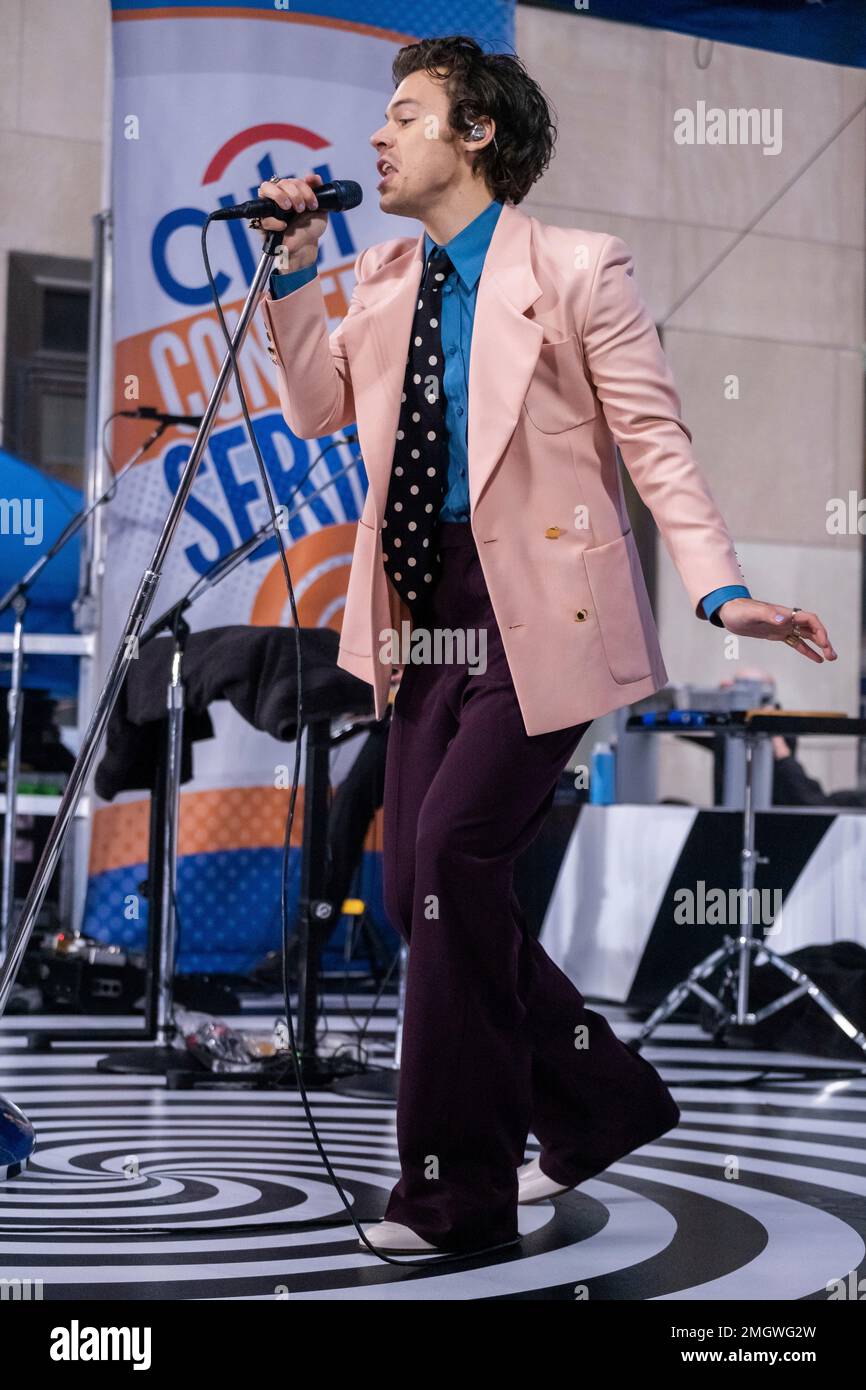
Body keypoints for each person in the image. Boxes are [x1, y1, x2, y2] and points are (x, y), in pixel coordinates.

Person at [254, 35, 836, 1254]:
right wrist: (294, 272)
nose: (376, 136)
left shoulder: (578, 270)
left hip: (544, 616)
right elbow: (313, 407)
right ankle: (601, 1099)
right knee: (428, 906)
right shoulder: (375, 280)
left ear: (475, 135)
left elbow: (654, 443)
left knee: (451, 855)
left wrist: (720, 590)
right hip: (422, 609)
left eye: (404, 115)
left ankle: (452, 1190)